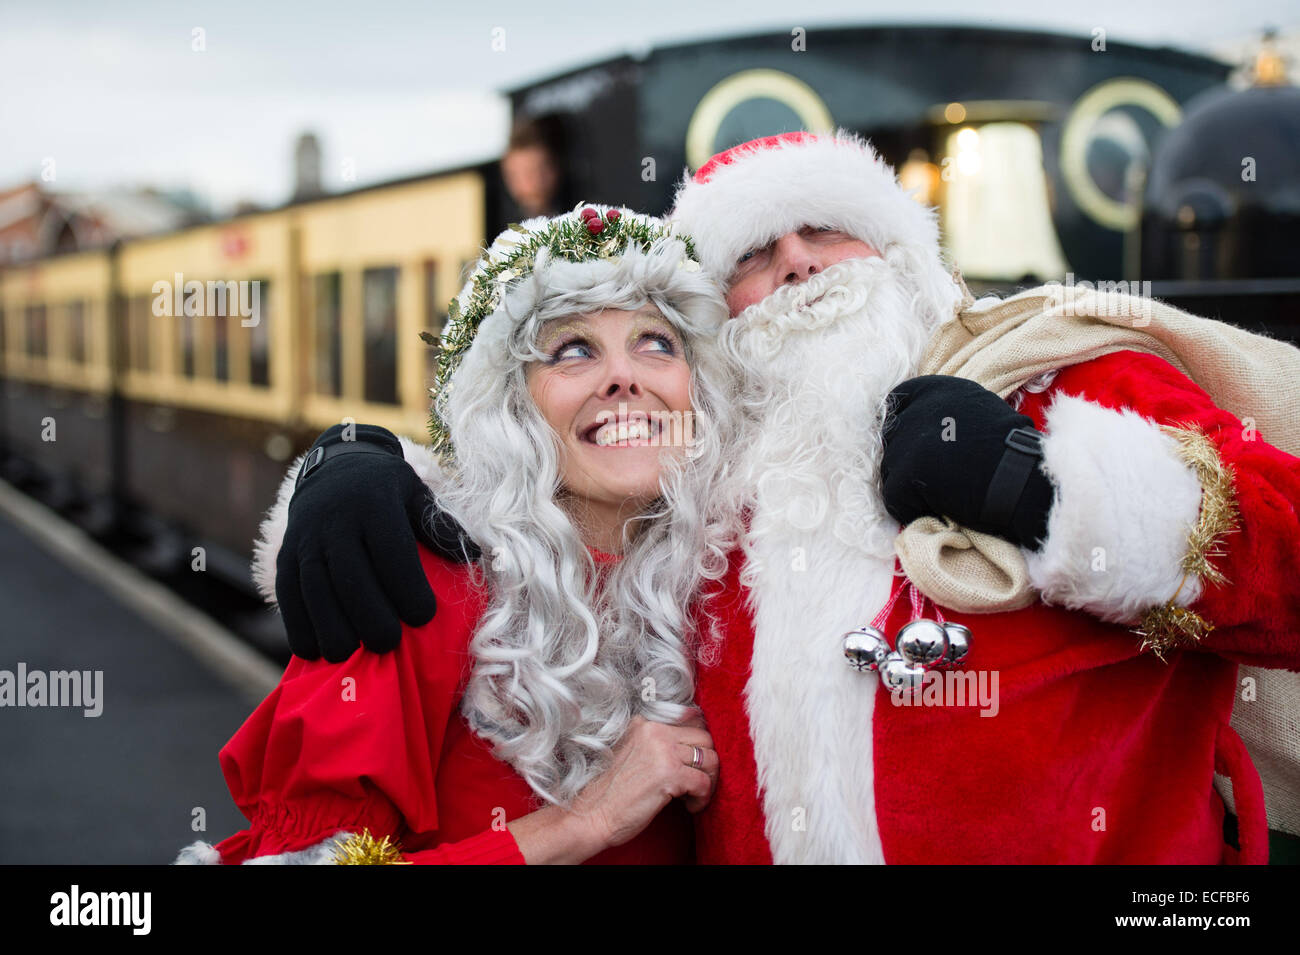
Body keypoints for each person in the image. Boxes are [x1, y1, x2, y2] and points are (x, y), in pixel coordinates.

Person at [258, 133, 1300, 864]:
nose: (796, 263)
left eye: (827, 230)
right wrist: (355, 464)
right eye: (752, 254)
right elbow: (530, 493)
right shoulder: (708, 485)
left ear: (903, 256)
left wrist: (1044, 489)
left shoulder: (1049, 379)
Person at [176, 205, 738, 864]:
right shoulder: (415, 584)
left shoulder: (731, 577)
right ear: (510, 406)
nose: (625, 375)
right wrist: (585, 820)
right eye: (574, 349)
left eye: (657, 342)